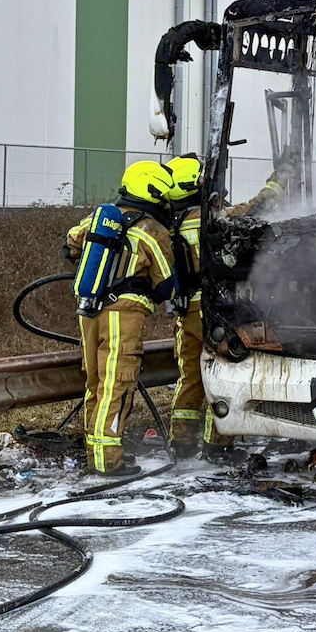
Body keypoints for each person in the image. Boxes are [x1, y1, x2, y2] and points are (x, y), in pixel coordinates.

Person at [165, 154, 288, 462]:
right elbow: (256, 209)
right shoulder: (209, 220)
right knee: (220, 371)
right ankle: (216, 443)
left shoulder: (167, 225)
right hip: (211, 311)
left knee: (190, 376)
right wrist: (278, 182)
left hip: (184, 313)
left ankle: (180, 441)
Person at [65, 161, 180, 476]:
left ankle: (96, 453)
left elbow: (71, 242)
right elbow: (166, 283)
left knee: (95, 383)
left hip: (88, 310)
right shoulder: (151, 230)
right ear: (153, 190)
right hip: (124, 315)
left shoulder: (100, 218)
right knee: (117, 384)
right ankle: (107, 461)